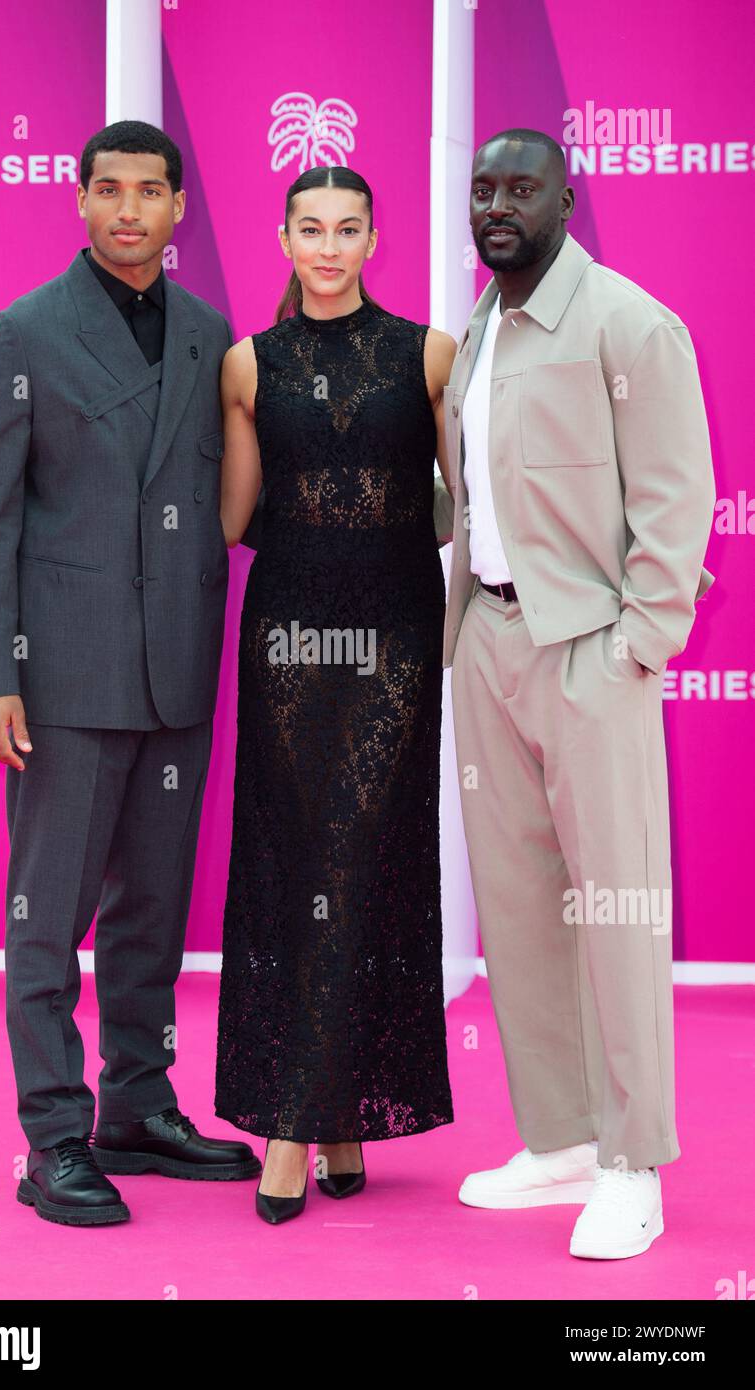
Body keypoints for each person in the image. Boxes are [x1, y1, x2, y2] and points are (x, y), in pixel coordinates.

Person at [0, 120, 262, 1227]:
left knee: (154, 915)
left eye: (150, 191)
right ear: (79, 201)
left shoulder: (208, 336)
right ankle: (53, 1136)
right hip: (61, 679)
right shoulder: (23, 333)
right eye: (109, 190)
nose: (129, 209)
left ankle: (136, 1105)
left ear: (179, 208)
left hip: (175, 676)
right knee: (48, 916)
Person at [436, 128, 715, 1258]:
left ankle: (630, 1163)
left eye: (521, 187)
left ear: (565, 197)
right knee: (520, 908)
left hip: (588, 653)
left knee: (616, 914)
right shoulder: (478, 337)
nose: (496, 205)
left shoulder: (628, 324)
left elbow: (673, 496)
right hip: (488, 642)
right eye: (481, 188)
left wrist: (633, 648)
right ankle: (557, 1139)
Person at [215, 166, 457, 1224]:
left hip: (394, 642)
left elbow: (458, 510)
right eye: (308, 228)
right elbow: (234, 518)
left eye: (346, 228)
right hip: (289, 640)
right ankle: (316, 1119)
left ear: (373, 237)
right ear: (282, 238)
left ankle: (307, 1120)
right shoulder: (245, 364)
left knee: (364, 856)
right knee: (297, 861)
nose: (326, 245)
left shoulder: (430, 352)